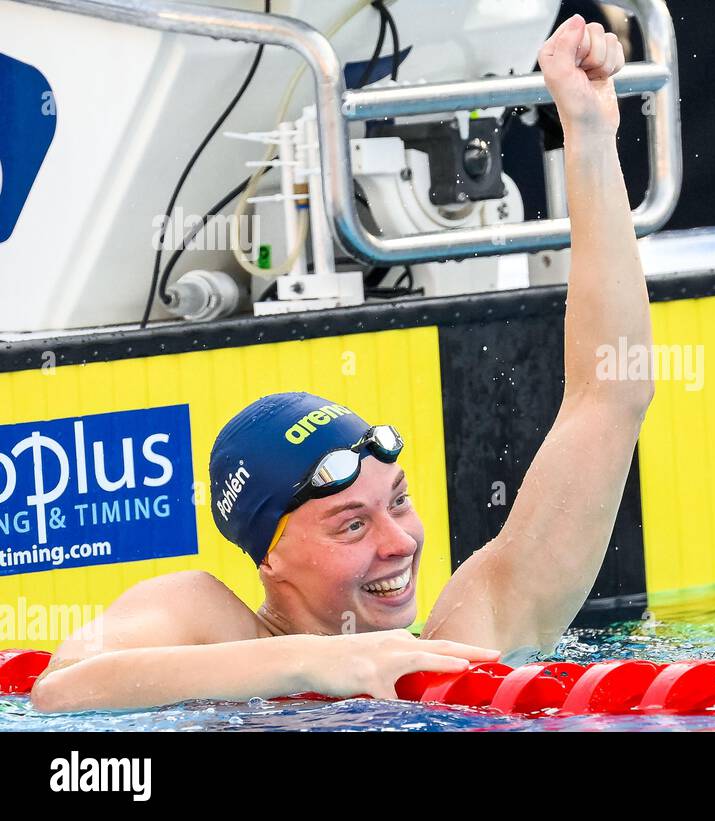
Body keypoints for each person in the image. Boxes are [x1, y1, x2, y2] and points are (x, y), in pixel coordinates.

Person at [31, 13, 653, 712]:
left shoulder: (460, 640)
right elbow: (61, 691)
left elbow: (611, 393)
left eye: (398, 502)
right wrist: (328, 658)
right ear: (269, 556)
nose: (399, 543)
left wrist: (591, 134)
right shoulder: (205, 619)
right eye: (352, 524)